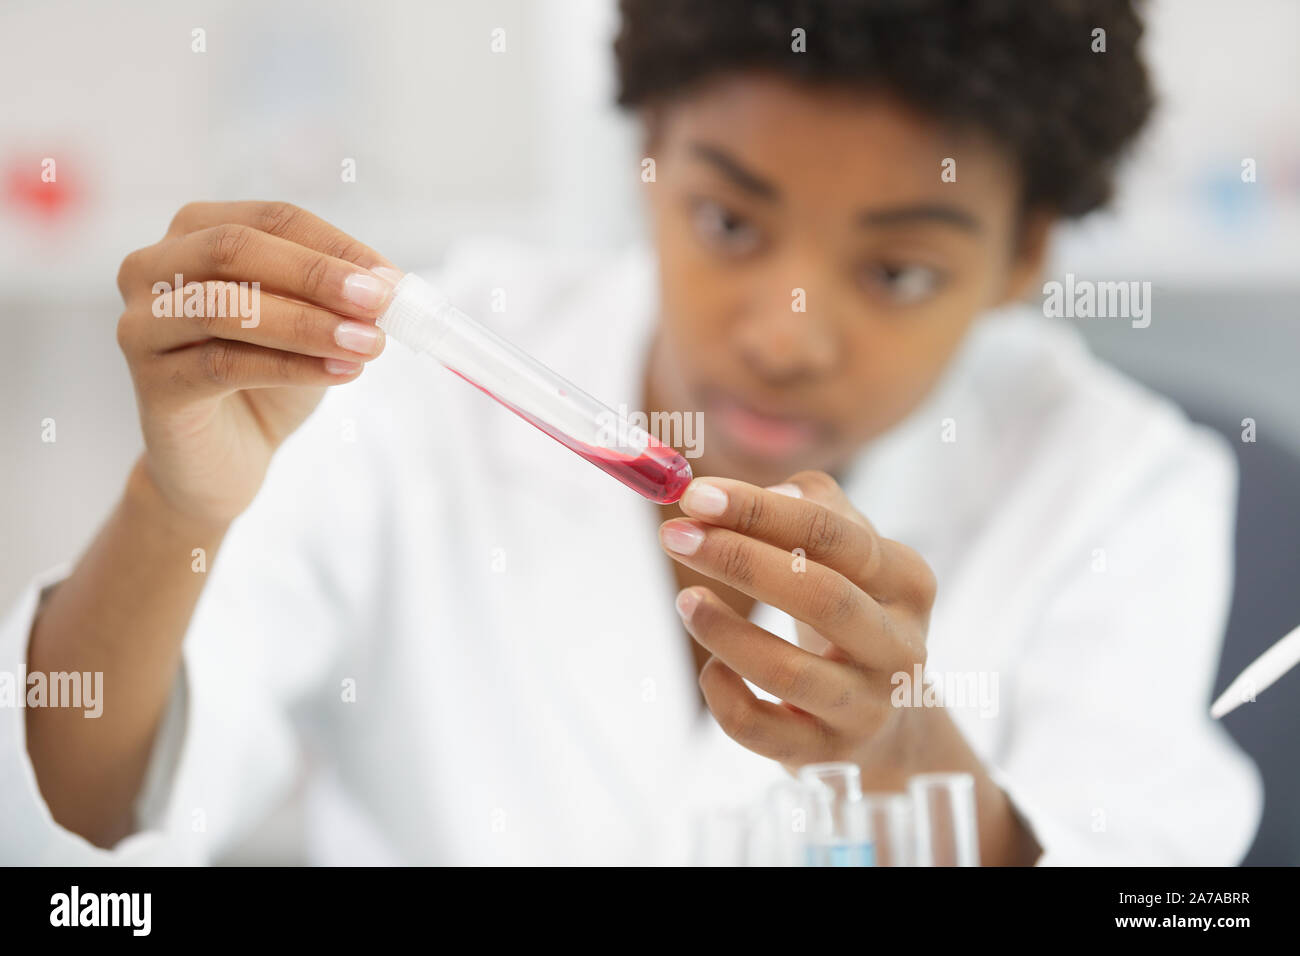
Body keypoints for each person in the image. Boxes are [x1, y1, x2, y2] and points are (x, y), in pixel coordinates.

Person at [1, 0, 1261, 865]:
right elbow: (80, 827)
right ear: (648, 153)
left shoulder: (1123, 484)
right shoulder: (392, 388)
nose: (786, 332)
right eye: (726, 223)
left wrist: (901, 755)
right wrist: (178, 508)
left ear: (1023, 253)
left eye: (897, 274)